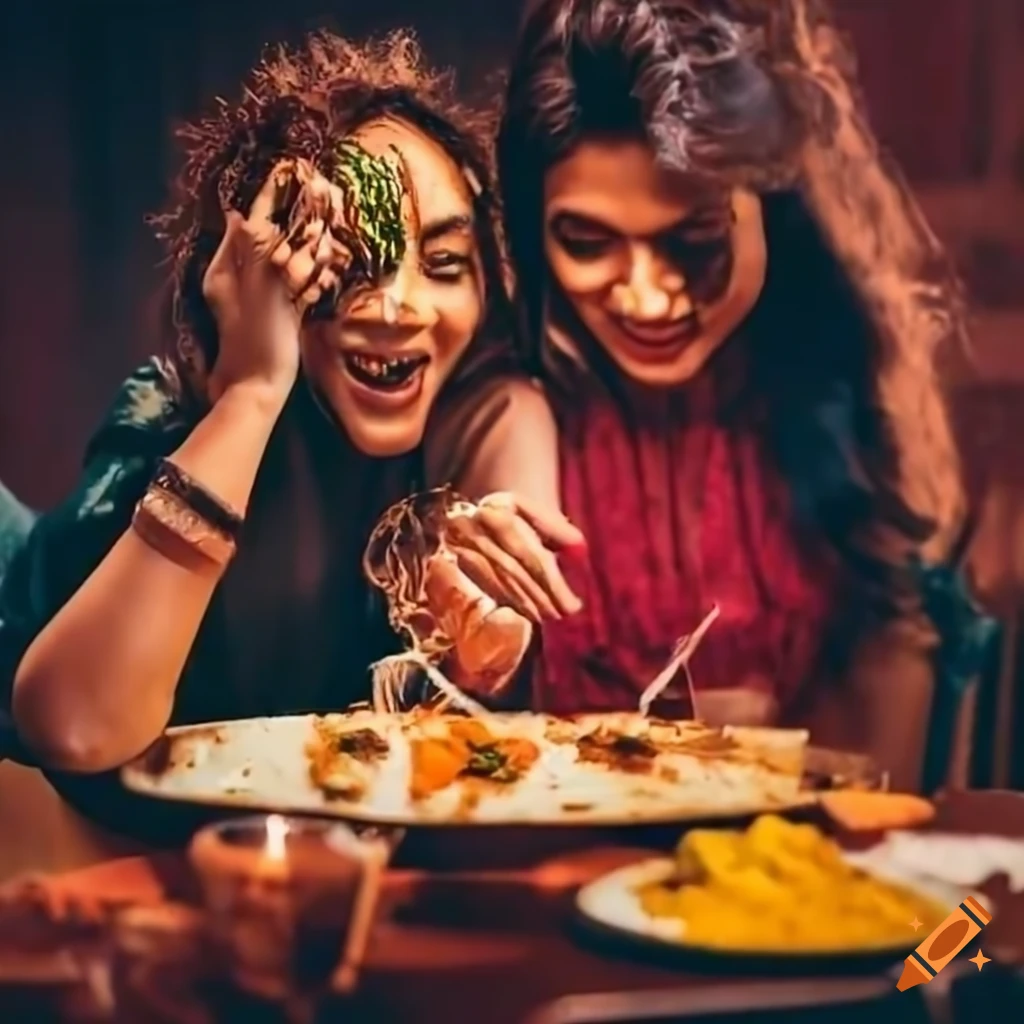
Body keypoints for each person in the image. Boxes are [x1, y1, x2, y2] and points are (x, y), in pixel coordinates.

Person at [398, 0, 990, 790]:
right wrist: (478, 617)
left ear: (773, 212)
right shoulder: (513, 405)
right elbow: (486, 645)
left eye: (694, 242)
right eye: (587, 241)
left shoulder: (835, 399)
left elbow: (881, 776)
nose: (646, 297)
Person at [0, 29, 578, 835]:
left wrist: (481, 615)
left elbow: (497, 616)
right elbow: (73, 728)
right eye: (348, 264)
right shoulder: (173, 415)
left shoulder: (489, 404)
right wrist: (252, 391)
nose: (400, 307)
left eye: (445, 264)